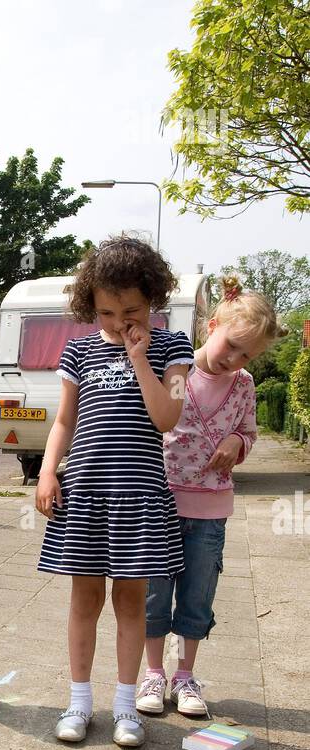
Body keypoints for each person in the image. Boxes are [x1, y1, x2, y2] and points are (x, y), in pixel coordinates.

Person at [35, 236, 195, 748]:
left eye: (130, 310)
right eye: (105, 312)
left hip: (140, 497)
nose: (118, 322)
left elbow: (168, 417)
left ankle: (127, 708)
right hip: (84, 492)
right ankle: (79, 703)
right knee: (84, 599)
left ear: (152, 298)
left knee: (132, 602)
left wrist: (140, 358)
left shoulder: (172, 348)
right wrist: (46, 471)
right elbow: (64, 419)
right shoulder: (79, 351)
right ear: (90, 307)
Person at [136, 276, 285, 717]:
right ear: (212, 324)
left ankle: (185, 676)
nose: (235, 359)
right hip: (160, 502)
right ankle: (152, 674)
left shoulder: (243, 385)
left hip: (210, 510)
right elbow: (155, 416)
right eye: (232, 345)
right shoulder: (178, 371)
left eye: (248, 355)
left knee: (197, 596)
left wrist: (237, 443)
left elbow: (250, 432)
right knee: (154, 595)